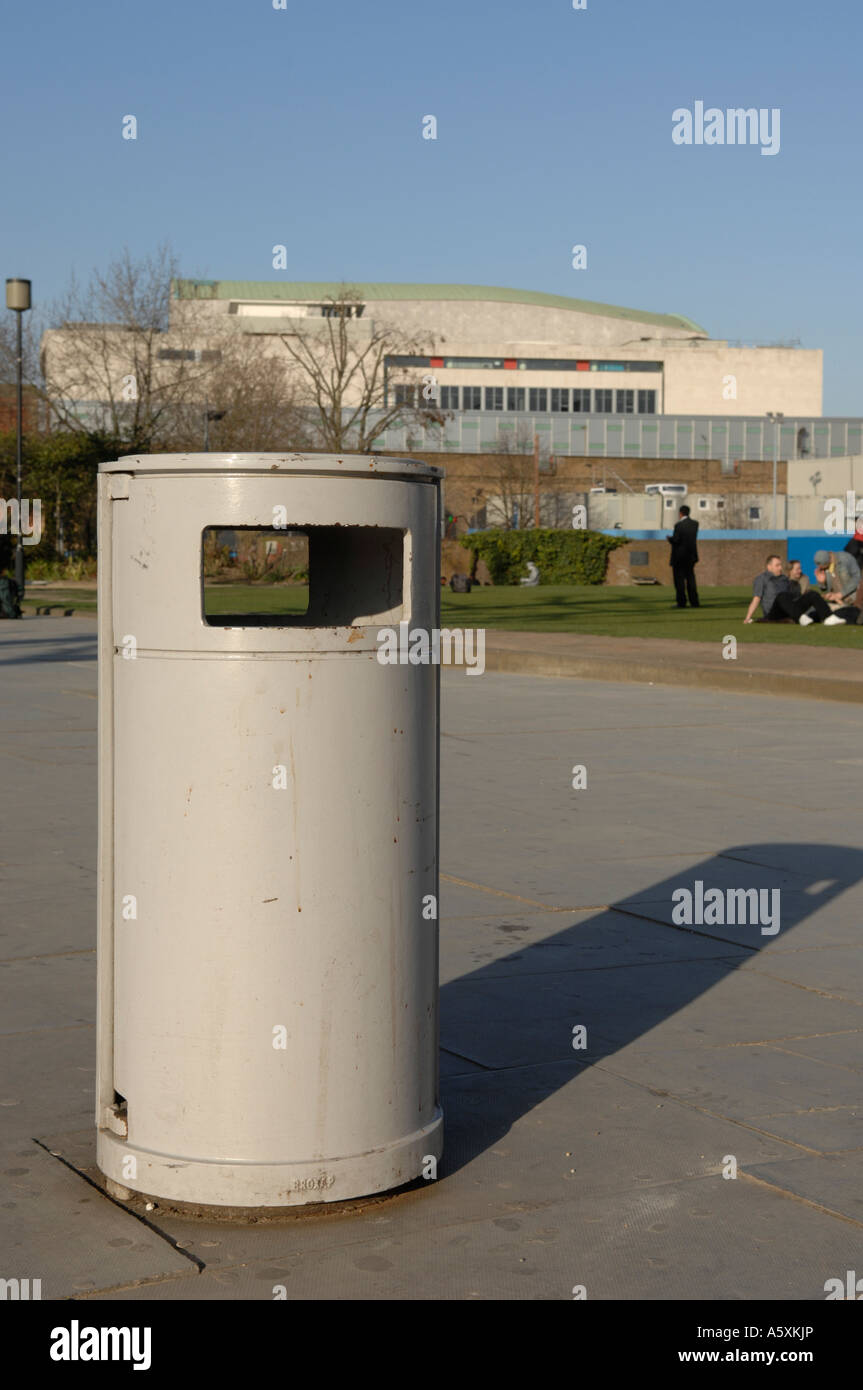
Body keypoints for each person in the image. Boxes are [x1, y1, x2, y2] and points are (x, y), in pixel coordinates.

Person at [744, 554, 852, 626]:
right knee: (781, 596)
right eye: (777, 565)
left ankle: (829, 618)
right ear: (769, 567)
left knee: (812, 594)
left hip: (790, 609)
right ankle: (801, 618)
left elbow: (795, 595)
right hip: (774, 613)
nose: (780, 568)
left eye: (780, 565)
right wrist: (748, 618)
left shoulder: (784, 579)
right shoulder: (761, 579)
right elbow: (756, 598)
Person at [668, 504, 699, 608]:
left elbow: (677, 540)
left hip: (679, 557)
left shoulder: (678, 525)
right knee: (691, 580)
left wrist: (670, 539)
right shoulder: (695, 524)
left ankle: (681, 602)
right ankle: (694, 602)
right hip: (691, 556)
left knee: (679, 582)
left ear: (680, 513)